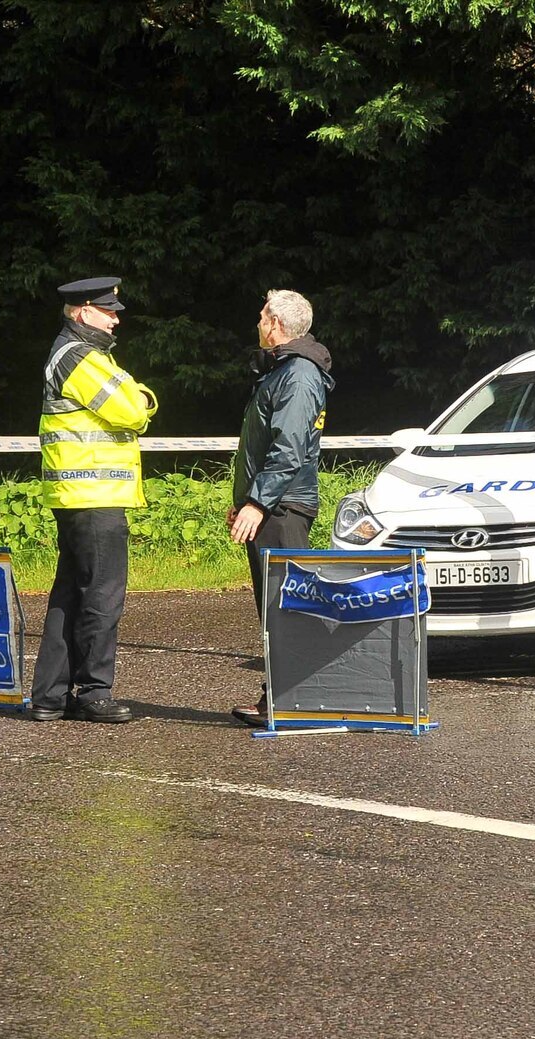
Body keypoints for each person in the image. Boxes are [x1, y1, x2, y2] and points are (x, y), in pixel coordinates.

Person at [28, 277, 158, 724]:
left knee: (70, 594)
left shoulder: (84, 354)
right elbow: (133, 410)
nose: (116, 317)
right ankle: (93, 692)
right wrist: (138, 397)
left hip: (79, 493)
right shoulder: (81, 357)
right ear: (83, 312)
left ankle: (50, 695)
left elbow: (135, 401)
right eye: (108, 310)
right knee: (102, 596)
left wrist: (137, 396)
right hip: (94, 492)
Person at [228, 289, 332, 726]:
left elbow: (288, 450)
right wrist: (248, 502)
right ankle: (282, 700)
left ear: (275, 324)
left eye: (261, 314)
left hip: (282, 507)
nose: (257, 320)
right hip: (275, 504)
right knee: (276, 606)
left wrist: (258, 501)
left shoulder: (298, 375)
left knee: (283, 606)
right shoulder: (283, 371)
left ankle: (290, 702)